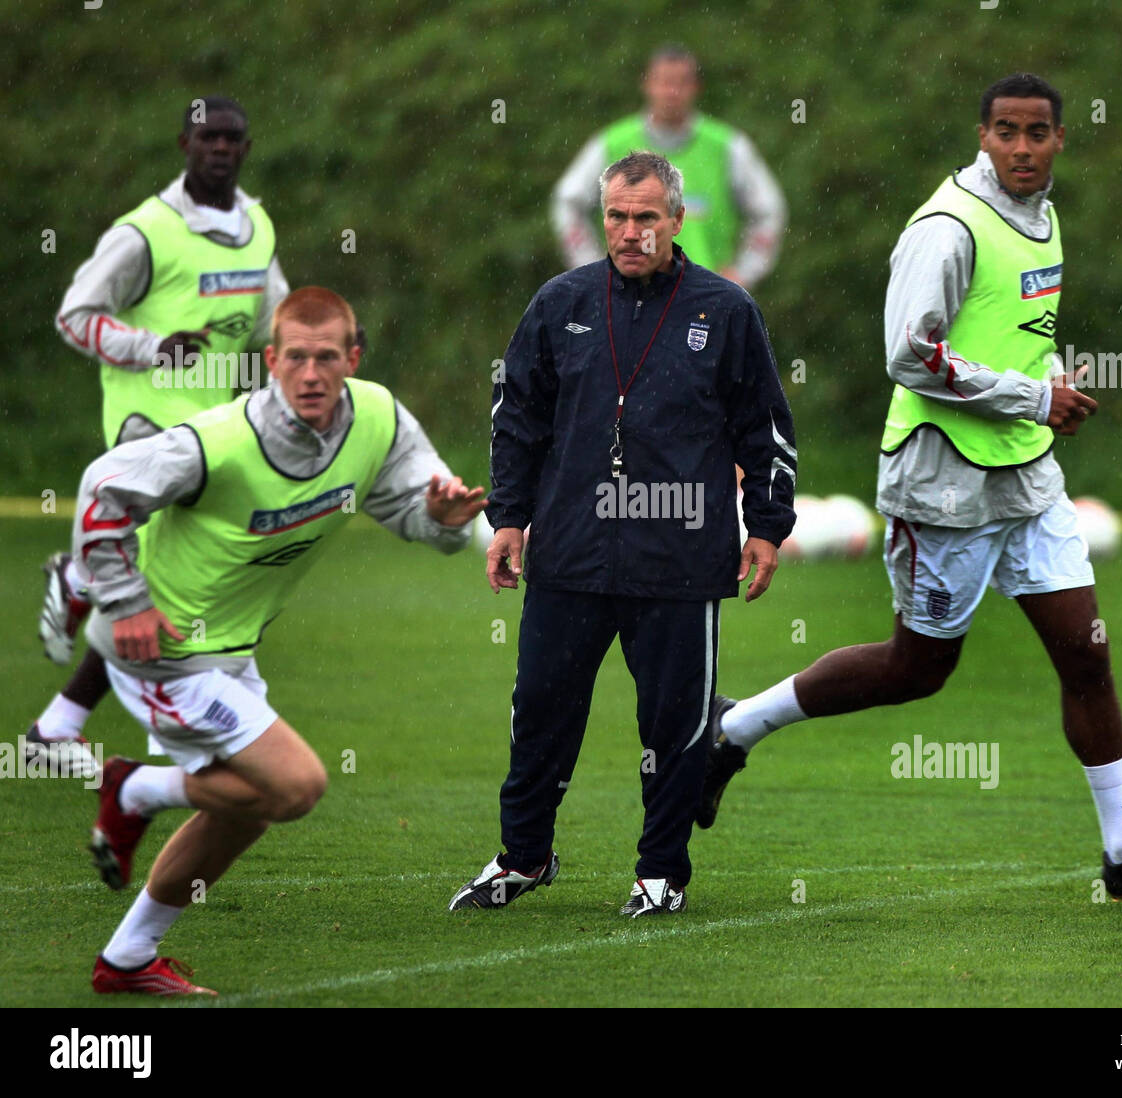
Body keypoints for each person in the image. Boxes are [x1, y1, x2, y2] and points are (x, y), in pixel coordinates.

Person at [696, 74, 1122, 910]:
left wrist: (1050, 382)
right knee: (917, 668)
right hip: (943, 487)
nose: (1020, 147)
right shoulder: (946, 228)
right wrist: (1032, 396)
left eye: (1036, 132)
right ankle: (733, 729)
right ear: (982, 136)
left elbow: (1009, 337)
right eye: (1004, 131)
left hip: (1028, 478)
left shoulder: (1042, 218)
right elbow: (911, 354)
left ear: (1058, 140)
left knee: (1086, 652)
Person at [76, 287, 484, 995]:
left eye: (328, 357)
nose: (312, 374)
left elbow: (422, 514)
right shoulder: (222, 441)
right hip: (158, 651)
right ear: (272, 360)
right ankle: (135, 788)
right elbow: (102, 487)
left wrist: (443, 517)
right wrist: (126, 602)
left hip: (231, 650)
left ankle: (127, 960)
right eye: (296, 357)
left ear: (352, 359)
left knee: (245, 812)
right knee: (295, 785)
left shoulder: (378, 419)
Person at [451, 151, 796, 917]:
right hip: (571, 552)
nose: (631, 231)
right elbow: (517, 421)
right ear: (601, 217)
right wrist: (508, 516)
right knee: (539, 708)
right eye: (617, 215)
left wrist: (768, 527)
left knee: (673, 725)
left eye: (647, 217)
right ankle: (524, 856)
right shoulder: (560, 301)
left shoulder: (726, 309)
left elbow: (764, 429)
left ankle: (661, 871)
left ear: (677, 220)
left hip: (680, 555)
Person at [31, 96, 290, 775]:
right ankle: (156, 750)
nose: (221, 149)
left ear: (246, 147)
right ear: (185, 143)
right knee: (164, 588)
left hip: (215, 435)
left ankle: (62, 709)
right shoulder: (145, 233)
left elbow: (276, 320)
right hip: (147, 429)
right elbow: (75, 316)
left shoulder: (256, 228)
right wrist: (150, 346)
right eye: (209, 137)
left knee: (159, 588)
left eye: (233, 138)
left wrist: (319, 342)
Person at [551, 45, 786, 290]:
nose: (672, 91)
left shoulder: (728, 147)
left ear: (696, 87)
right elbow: (568, 203)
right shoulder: (610, 144)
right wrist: (593, 268)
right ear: (647, 84)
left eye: (681, 82)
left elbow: (768, 210)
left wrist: (742, 274)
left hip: (704, 297)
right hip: (627, 294)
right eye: (664, 81)